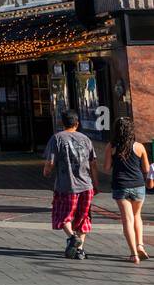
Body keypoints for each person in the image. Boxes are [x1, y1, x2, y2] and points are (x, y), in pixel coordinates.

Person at [43, 110, 98, 259]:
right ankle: (80, 250)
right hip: (87, 185)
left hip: (66, 186)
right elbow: (93, 164)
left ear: (62, 123)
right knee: (84, 217)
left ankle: (72, 237)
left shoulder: (57, 138)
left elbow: (51, 162)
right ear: (77, 123)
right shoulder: (86, 139)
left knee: (63, 215)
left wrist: (46, 171)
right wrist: (96, 184)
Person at [104, 116, 152, 263]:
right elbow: (146, 168)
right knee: (137, 216)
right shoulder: (139, 147)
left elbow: (106, 169)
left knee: (127, 219)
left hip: (120, 186)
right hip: (138, 185)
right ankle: (140, 245)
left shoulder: (111, 146)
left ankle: (133, 254)